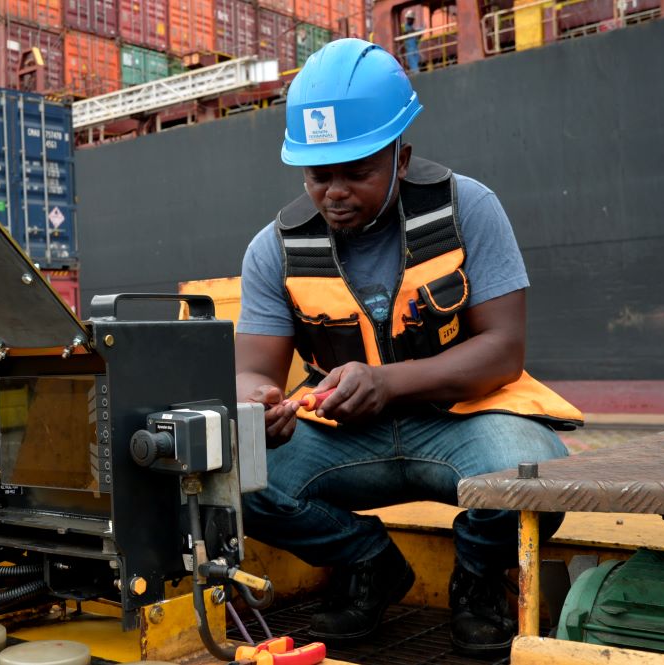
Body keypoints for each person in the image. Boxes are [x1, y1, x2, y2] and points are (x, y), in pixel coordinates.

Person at [235, 38, 583, 655]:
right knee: (232, 476)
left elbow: (504, 349)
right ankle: (368, 561)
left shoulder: (466, 208)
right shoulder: (275, 249)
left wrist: (390, 382)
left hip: (460, 423)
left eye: (358, 172)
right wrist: (260, 408)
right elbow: (251, 373)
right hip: (342, 439)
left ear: (401, 157)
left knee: (540, 469)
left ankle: (477, 576)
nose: (335, 192)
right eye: (319, 175)